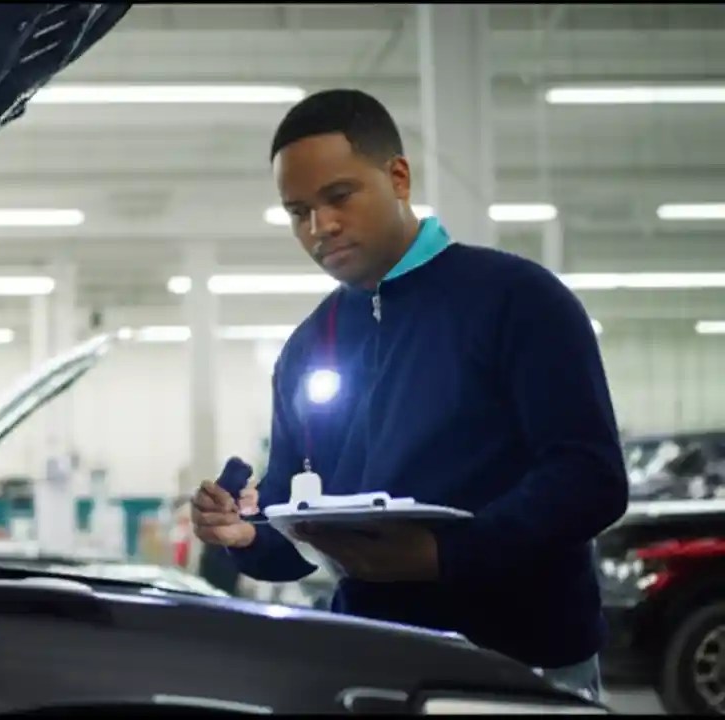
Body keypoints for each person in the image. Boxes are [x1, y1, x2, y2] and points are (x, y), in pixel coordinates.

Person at [190, 88, 628, 699]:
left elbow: (590, 478)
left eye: (339, 196)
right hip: (372, 663)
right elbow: (296, 527)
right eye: (298, 212)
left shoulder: (517, 299)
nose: (321, 227)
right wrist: (245, 536)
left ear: (398, 177)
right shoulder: (306, 348)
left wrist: (445, 555)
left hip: (524, 665)